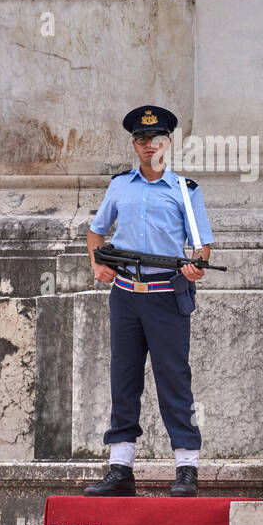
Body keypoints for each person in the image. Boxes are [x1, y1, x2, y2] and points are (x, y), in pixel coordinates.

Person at [83, 105, 213, 498]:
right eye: (141, 139)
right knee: (124, 380)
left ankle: (186, 469)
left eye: (156, 139)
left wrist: (195, 269)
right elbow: (97, 232)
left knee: (174, 381)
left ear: (167, 143)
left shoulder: (185, 191)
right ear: (134, 144)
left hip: (166, 296)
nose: (148, 145)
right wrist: (97, 265)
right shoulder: (120, 186)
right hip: (125, 296)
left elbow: (202, 247)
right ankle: (120, 467)